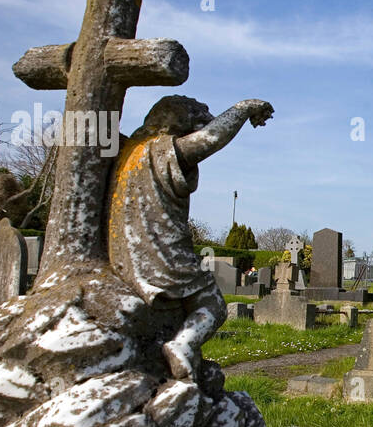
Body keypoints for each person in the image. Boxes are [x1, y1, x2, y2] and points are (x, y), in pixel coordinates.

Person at [107, 95, 274, 380]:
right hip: (161, 255)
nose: (206, 116)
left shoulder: (124, 152)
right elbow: (211, 138)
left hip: (118, 256)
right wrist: (244, 108)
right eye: (199, 113)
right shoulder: (159, 152)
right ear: (179, 121)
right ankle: (183, 344)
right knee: (214, 305)